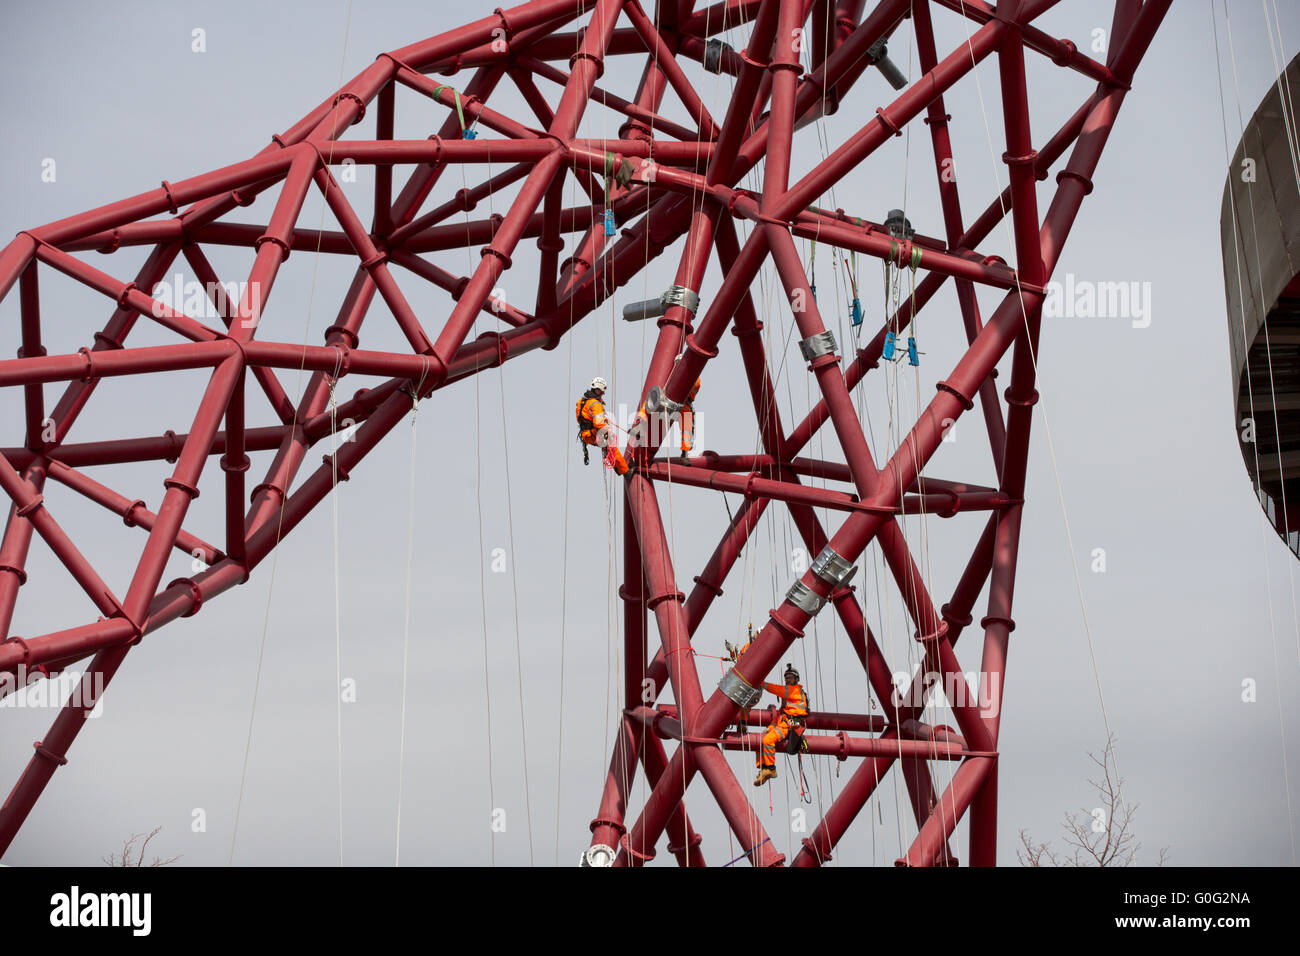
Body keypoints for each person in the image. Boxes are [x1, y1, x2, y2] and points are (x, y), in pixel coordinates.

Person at [754, 663, 808, 786]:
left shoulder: (795, 691)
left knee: (768, 740)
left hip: (791, 725)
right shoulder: (787, 697)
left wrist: (762, 683)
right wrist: (770, 727)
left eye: (790, 677)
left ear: (796, 679)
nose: (788, 679)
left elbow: (777, 689)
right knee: (760, 741)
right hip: (784, 724)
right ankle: (763, 768)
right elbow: (780, 715)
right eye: (786, 677)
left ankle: (771, 769)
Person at [576, 377, 630, 476]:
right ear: (598, 390)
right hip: (592, 434)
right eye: (602, 392)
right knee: (611, 445)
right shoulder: (595, 404)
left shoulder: (582, 401)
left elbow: (584, 417)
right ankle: (625, 470)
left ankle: (618, 467)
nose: (603, 394)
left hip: (586, 434)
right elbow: (598, 423)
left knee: (607, 447)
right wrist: (607, 430)